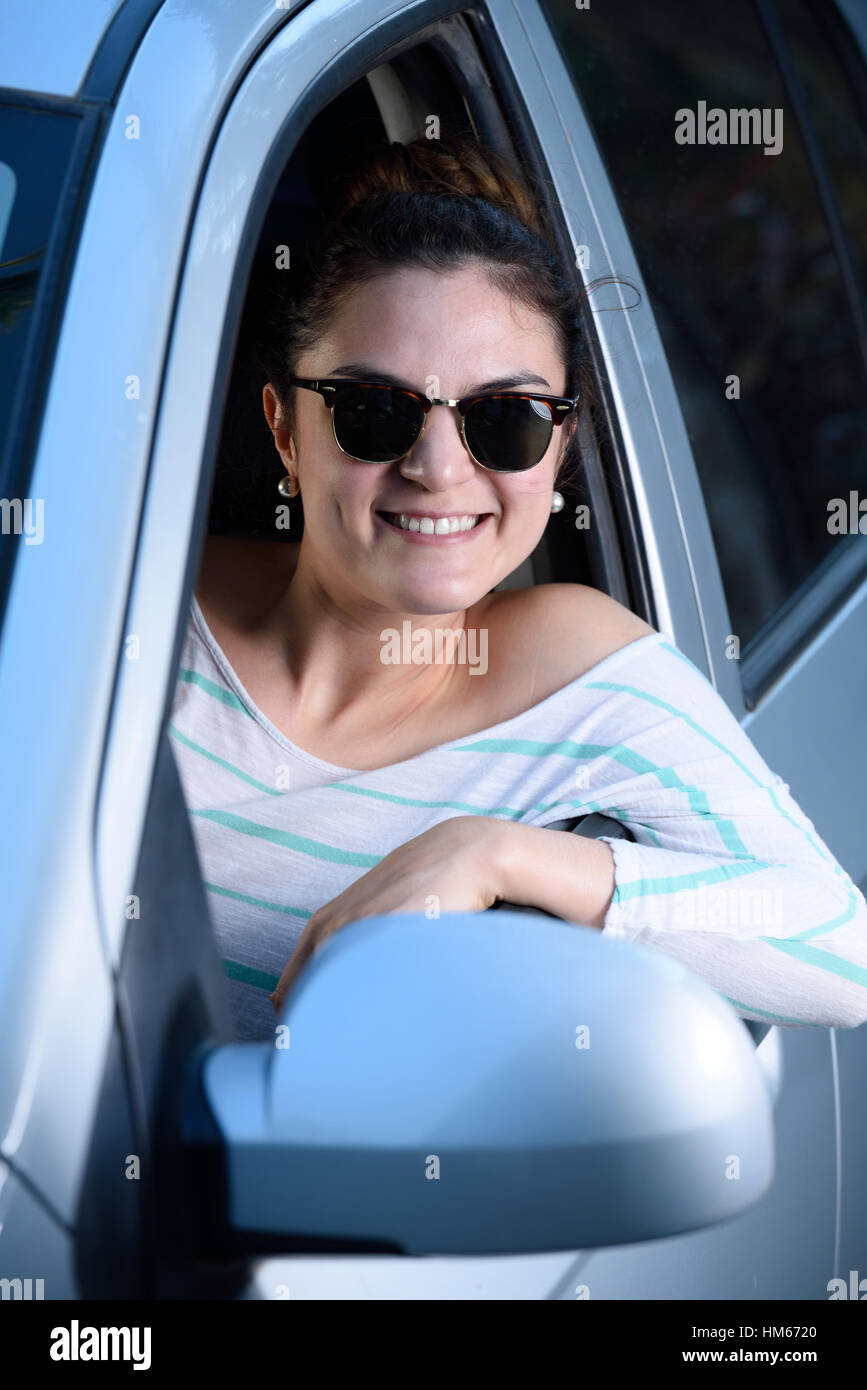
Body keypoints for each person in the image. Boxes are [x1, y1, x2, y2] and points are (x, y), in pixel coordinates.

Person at [170, 134, 867, 1042]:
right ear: (283, 429)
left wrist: (492, 852)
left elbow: (843, 954)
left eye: (505, 419)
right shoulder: (134, 614)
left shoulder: (576, 673)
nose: (437, 469)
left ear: (560, 447)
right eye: (374, 411)